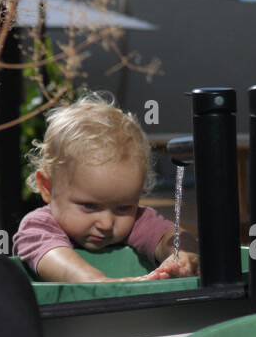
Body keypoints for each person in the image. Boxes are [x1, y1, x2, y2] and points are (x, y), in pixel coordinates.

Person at [14, 93, 198, 282]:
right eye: (89, 206)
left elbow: (170, 237)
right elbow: (59, 263)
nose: (106, 224)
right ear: (47, 187)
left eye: (123, 207)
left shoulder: (137, 221)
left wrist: (181, 258)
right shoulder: (39, 227)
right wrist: (102, 284)